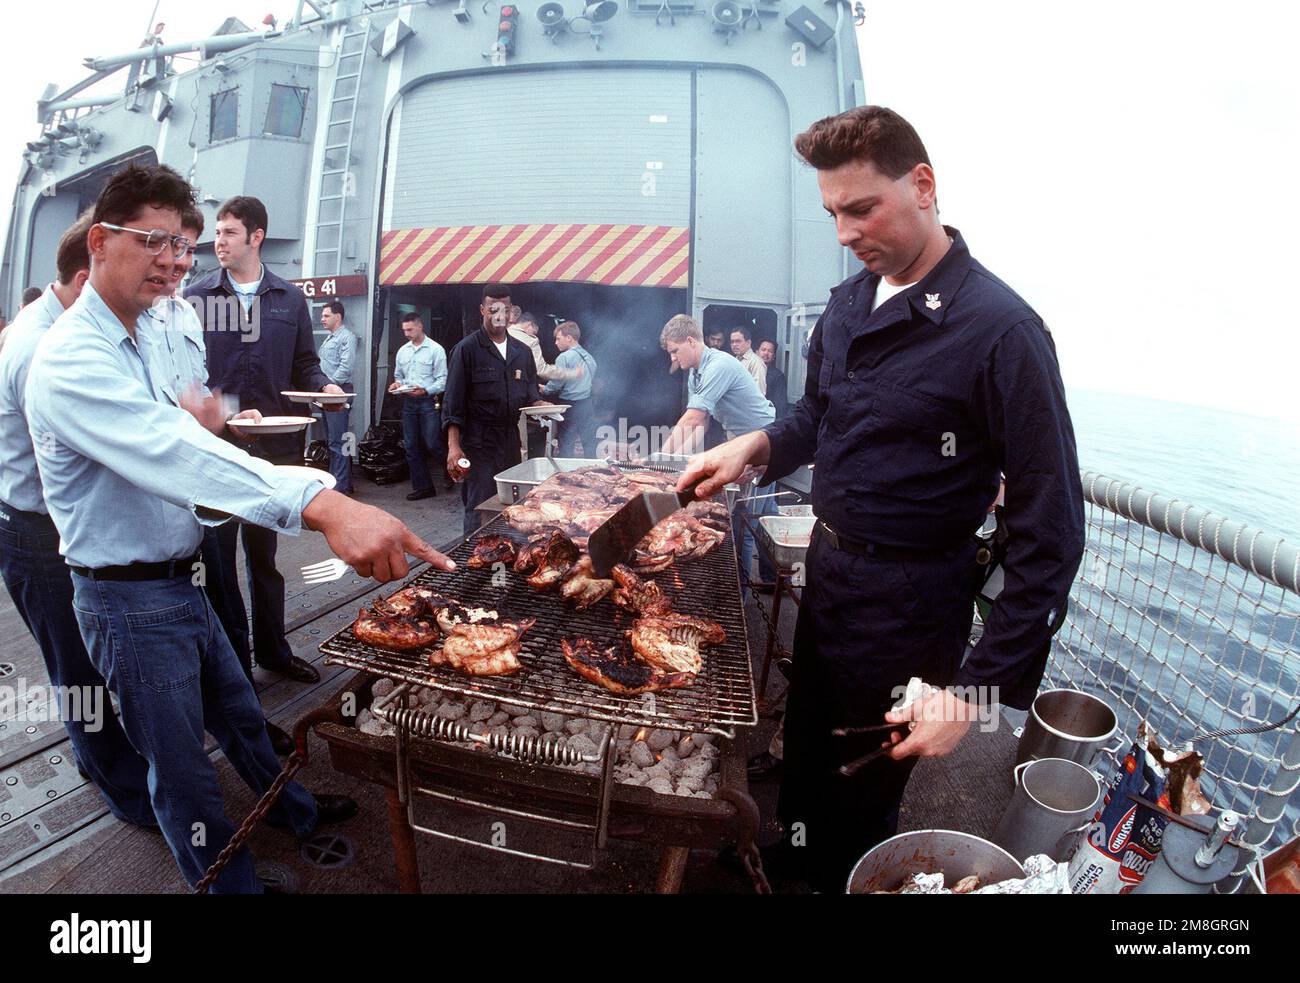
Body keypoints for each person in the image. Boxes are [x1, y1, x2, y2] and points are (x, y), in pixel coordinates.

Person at [678, 106, 1085, 892]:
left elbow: (1052, 531)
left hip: (910, 607)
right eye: (832, 211)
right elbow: (816, 419)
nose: (843, 229)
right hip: (831, 574)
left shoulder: (1002, 333)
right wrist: (756, 447)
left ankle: (831, 877)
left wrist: (976, 689)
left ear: (923, 186)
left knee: (860, 788)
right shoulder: (846, 304)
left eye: (861, 207)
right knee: (803, 746)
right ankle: (784, 858)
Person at [23, 162, 456, 893]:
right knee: (185, 774)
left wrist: (212, 416)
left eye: (182, 247)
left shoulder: (148, 329)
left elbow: (181, 425)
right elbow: (170, 450)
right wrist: (321, 502)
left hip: (177, 577)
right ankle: (230, 884)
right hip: (125, 601)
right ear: (99, 241)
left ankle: (294, 809)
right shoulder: (68, 358)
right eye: (153, 241)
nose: (172, 260)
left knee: (240, 715)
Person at [0, 209, 155, 829]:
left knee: (81, 665)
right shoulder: (44, 349)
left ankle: (102, 762)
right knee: (77, 672)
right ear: (85, 271)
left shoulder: (49, 326)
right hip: (39, 532)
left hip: (38, 523)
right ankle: (126, 793)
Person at [185, 195, 346, 690]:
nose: (219, 242)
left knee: (265, 558)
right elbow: (187, 379)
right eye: (217, 233)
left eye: (229, 233)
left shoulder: (290, 299)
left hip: (277, 446)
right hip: (218, 446)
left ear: (257, 237)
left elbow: (305, 363)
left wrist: (325, 388)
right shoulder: (197, 298)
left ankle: (274, 651)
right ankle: (234, 668)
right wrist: (223, 416)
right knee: (218, 566)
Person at [658, 314, 777, 594]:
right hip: (739, 440)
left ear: (690, 340)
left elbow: (692, 418)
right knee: (767, 519)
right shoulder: (696, 373)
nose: (673, 358)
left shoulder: (719, 365)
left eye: (675, 351)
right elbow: (701, 423)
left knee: (744, 525)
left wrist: (658, 462)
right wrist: (676, 465)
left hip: (764, 440)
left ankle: (743, 597)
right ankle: (777, 575)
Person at [443, 283, 544, 536]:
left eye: (505, 310)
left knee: (511, 501)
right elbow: (453, 402)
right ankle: (473, 559)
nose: (499, 316)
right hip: (479, 441)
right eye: (493, 310)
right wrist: (453, 447)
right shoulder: (467, 349)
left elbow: (531, 392)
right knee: (479, 503)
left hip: (510, 439)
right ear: (482, 310)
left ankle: (502, 552)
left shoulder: (522, 352)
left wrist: (542, 405)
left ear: (512, 312)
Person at [388, 311, 447, 501]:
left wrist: (426, 391)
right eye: (404, 330)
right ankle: (424, 487)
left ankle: (451, 470)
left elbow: (443, 380)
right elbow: (399, 376)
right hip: (408, 403)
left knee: (433, 444)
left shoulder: (436, 350)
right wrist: (397, 385)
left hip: (428, 402)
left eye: (410, 329)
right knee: (411, 446)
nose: (406, 333)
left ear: (420, 327)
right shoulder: (403, 351)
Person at [318, 299, 358, 495]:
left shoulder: (346, 337)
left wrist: (329, 386)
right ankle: (341, 482)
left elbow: (346, 367)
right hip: (328, 394)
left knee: (338, 442)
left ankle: (340, 488)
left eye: (326, 315)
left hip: (338, 394)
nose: (322, 319)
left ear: (338, 316)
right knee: (334, 441)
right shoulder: (330, 338)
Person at [544, 321, 598, 457]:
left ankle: (566, 477)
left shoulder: (563, 357)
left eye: (558, 338)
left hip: (569, 406)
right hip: (587, 405)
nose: (556, 343)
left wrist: (545, 389)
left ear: (569, 338)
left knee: (566, 444)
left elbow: (557, 383)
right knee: (590, 443)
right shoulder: (590, 358)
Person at [729, 325, 767, 397]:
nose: (734, 344)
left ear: (748, 342)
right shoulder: (734, 360)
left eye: (738, 341)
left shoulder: (756, 362)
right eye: (732, 342)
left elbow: (759, 393)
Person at [757, 339, 789, 419]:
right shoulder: (749, 371)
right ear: (757, 352)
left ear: (774, 357)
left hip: (766, 420)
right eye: (763, 350)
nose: (766, 353)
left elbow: (781, 406)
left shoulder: (778, 376)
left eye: (770, 351)